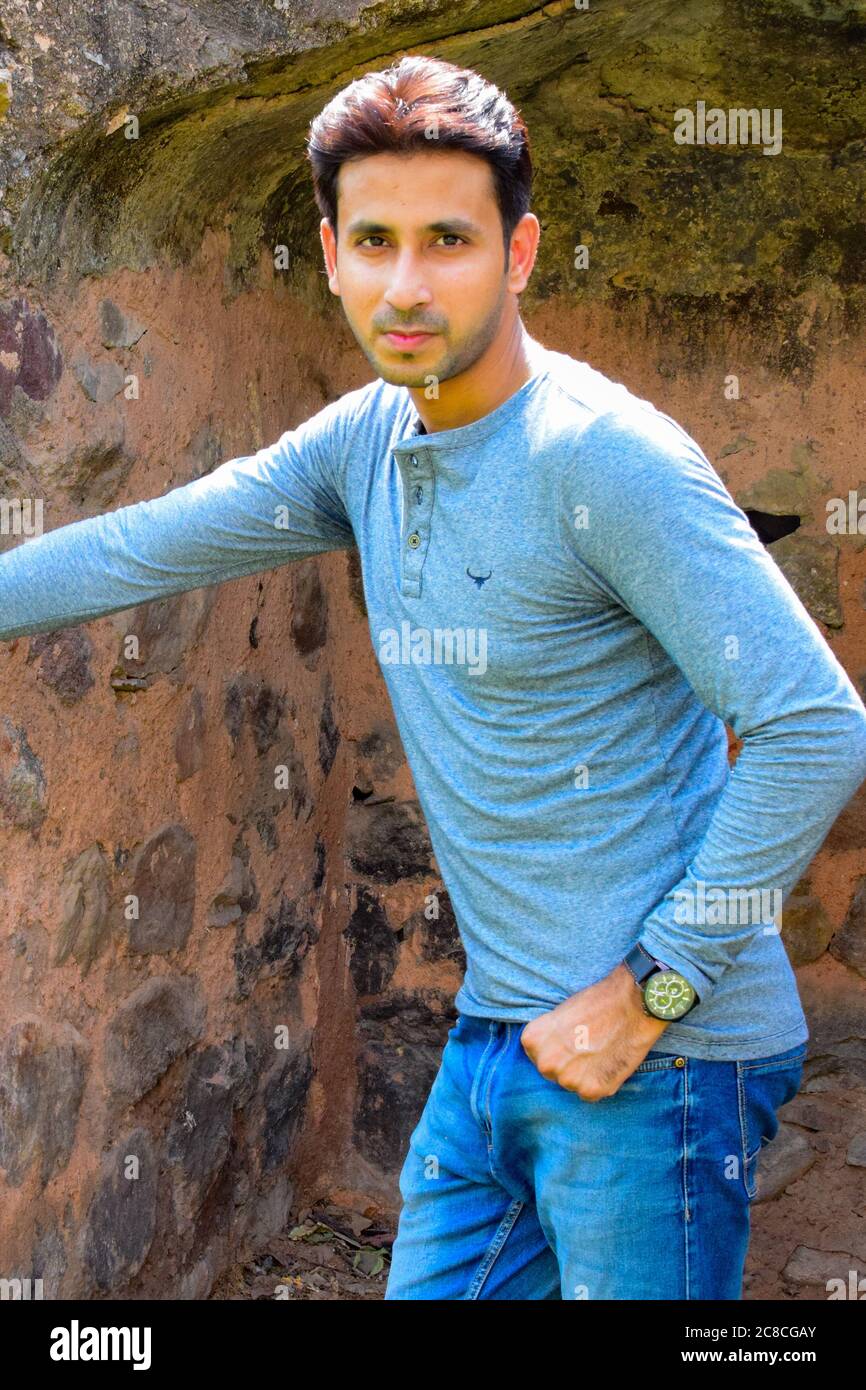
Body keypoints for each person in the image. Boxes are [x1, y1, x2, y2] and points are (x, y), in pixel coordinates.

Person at [2, 54, 866, 1300]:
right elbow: (142, 543)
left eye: (448, 240)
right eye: (375, 241)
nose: (405, 285)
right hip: (496, 1037)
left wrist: (651, 991)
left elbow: (813, 725)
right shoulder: (363, 439)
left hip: (663, 1060)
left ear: (518, 254)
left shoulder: (603, 458)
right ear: (330, 254)